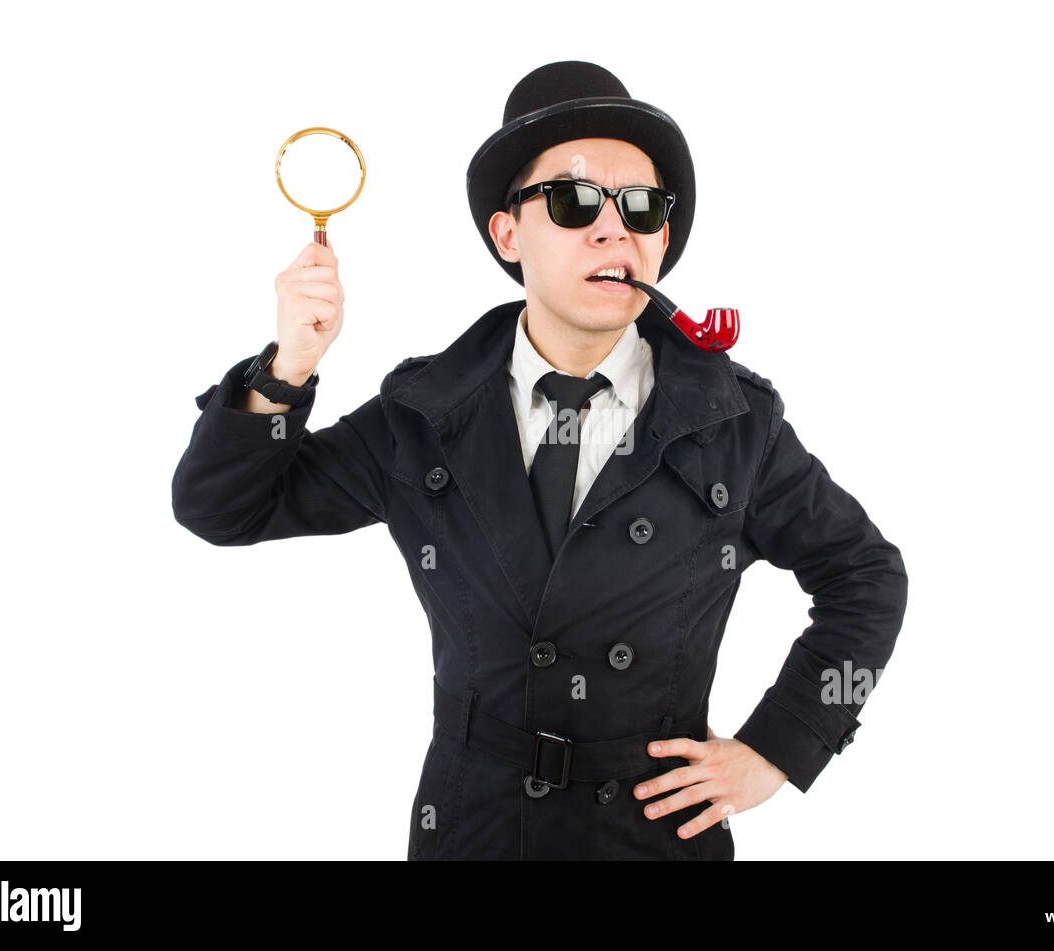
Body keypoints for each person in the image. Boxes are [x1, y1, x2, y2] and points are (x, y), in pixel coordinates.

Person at [172, 61, 908, 860]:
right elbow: (223, 508)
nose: (611, 228)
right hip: (473, 831)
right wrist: (288, 368)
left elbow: (866, 574)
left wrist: (784, 743)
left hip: (654, 837)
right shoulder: (422, 417)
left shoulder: (735, 422)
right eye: (573, 200)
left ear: (662, 236)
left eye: (641, 207)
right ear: (508, 233)